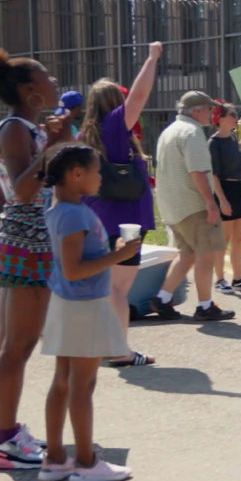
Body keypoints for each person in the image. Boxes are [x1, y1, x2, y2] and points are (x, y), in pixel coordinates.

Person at [0, 48, 67, 470]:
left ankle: (5, 431)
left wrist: (56, 144)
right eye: (46, 77)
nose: (53, 81)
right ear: (29, 90)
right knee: (18, 345)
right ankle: (6, 440)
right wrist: (51, 147)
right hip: (28, 246)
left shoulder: (18, 128)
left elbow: (2, 201)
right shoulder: (16, 129)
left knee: (8, 343)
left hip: (22, 241)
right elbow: (20, 191)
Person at [37, 145, 139, 481]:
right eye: (96, 171)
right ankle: (85, 462)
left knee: (63, 381)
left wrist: (109, 254)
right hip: (85, 306)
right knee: (83, 385)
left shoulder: (57, 208)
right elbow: (74, 270)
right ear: (76, 174)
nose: (101, 177)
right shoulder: (75, 214)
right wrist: (119, 256)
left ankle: (54, 459)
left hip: (66, 305)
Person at [81, 42, 162, 366]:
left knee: (107, 287)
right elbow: (139, 96)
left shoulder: (90, 133)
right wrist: (152, 58)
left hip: (100, 221)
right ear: (115, 103)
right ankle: (118, 350)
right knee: (118, 289)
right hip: (123, 224)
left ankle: (104, 345)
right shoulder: (114, 127)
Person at [149, 90, 235, 322]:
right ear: (196, 111)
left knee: (187, 253)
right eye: (208, 109)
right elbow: (196, 171)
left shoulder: (169, 131)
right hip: (192, 205)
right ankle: (205, 305)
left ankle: (163, 298)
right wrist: (211, 203)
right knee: (206, 254)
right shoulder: (192, 132)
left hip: (172, 206)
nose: (211, 113)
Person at [209, 102, 241, 293]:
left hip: (238, 188)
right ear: (220, 118)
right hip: (225, 189)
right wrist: (222, 200)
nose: (235, 117)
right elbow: (213, 175)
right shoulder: (213, 143)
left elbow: (240, 150)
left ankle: (238, 278)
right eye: (231, 114)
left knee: (239, 238)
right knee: (224, 239)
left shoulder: (231, 138)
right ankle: (220, 279)